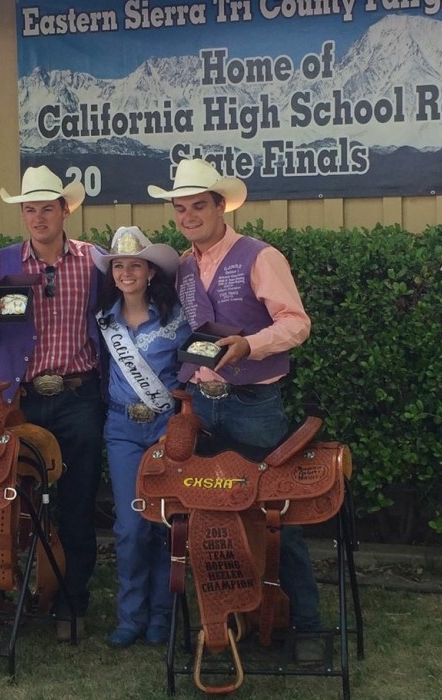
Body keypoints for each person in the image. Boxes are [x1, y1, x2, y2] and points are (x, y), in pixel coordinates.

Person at [147, 158, 325, 663]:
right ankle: (223, 624)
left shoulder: (260, 256)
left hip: (252, 403)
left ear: (220, 206)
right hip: (201, 403)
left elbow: (296, 324)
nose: (188, 216)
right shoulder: (181, 266)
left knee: (276, 515)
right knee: (206, 519)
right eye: (180, 208)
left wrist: (249, 345)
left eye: (197, 206)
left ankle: (306, 624)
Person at [0, 165, 105, 641]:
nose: (38, 217)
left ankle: (71, 601)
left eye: (46, 208)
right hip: (15, 400)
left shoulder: (95, 262)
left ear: (65, 211)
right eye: (29, 209)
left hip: (77, 395)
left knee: (78, 502)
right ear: (22, 214)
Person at [90, 226, 191, 648]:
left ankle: (162, 615)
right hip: (122, 430)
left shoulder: (177, 318)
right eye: (119, 266)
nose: (126, 272)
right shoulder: (102, 321)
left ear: (150, 271)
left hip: (166, 429)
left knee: (166, 523)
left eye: (134, 265)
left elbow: (194, 366)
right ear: (112, 273)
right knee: (131, 527)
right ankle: (131, 616)